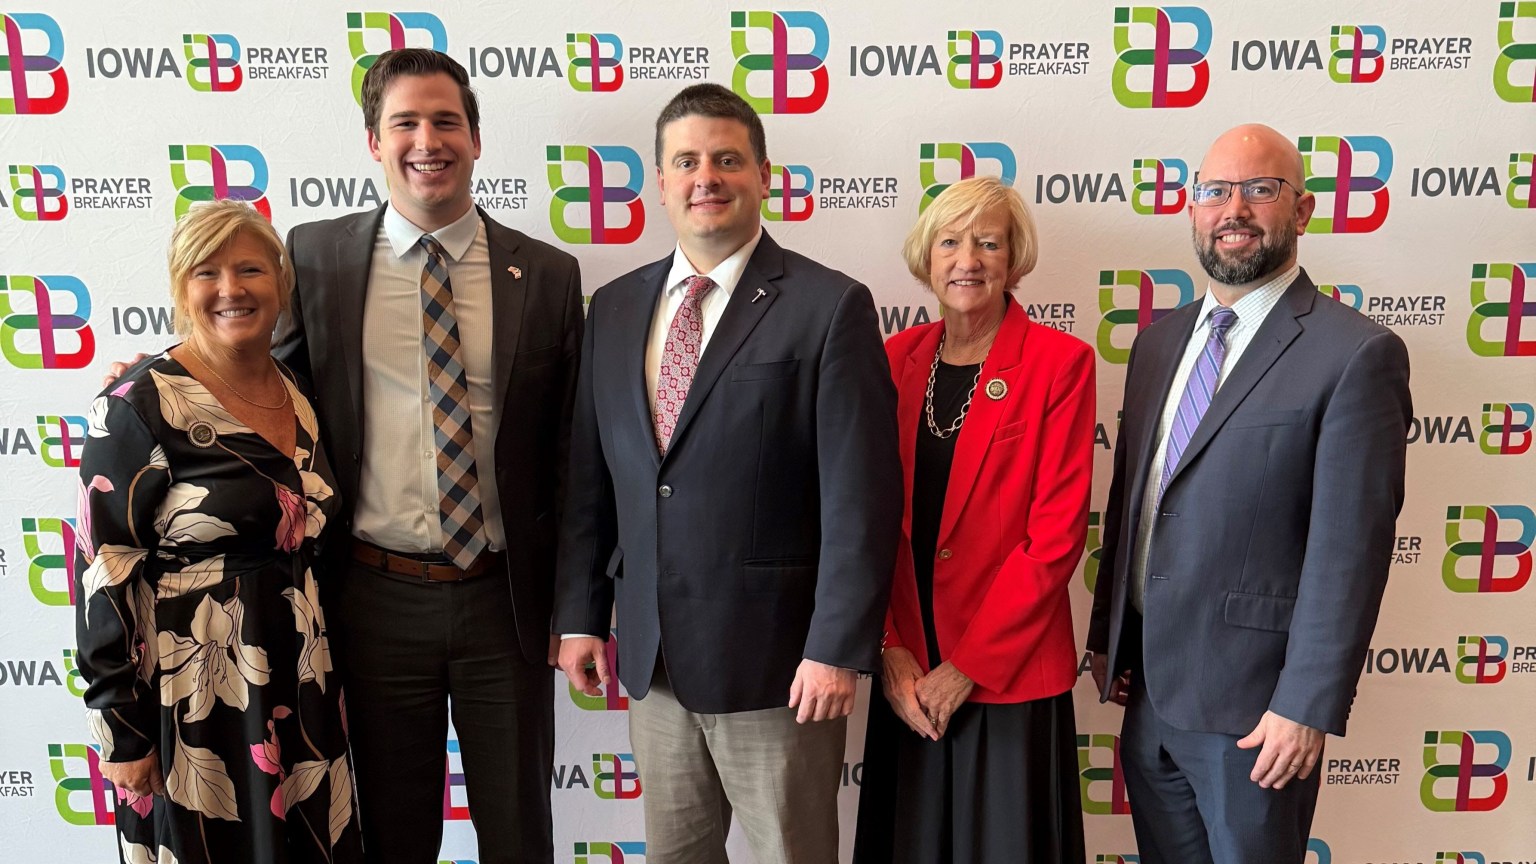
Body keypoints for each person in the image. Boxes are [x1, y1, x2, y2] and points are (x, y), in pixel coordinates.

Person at [554, 82, 901, 864]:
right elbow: (591, 481)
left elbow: (862, 501)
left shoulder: (829, 306)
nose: (705, 176)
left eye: (726, 160)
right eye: (686, 161)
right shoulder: (611, 308)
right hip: (655, 664)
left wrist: (837, 647)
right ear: (661, 181)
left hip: (780, 670)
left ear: (763, 174)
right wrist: (580, 614)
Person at [272, 49, 582, 863]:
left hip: (502, 605)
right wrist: (156, 379)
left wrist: (577, 605)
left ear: (476, 138)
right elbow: (257, 378)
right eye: (404, 122)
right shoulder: (313, 258)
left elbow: (572, 458)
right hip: (372, 600)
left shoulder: (546, 274)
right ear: (373, 142)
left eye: (446, 120)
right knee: (391, 834)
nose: (427, 139)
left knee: (518, 833)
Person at [1085, 124, 1412, 863]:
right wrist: (1113, 635)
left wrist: (1305, 705)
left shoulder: (1355, 354)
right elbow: (1138, 496)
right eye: (1214, 191)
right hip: (1151, 696)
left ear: (1301, 210)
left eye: (1260, 189)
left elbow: (1350, 553)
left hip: (1258, 716)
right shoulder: (1159, 343)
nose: (1233, 208)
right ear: (1191, 209)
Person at [75, 200, 363, 864]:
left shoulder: (298, 389)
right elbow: (104, 571)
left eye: (251, 269)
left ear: (281, 285)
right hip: (195, 699)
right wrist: (122, 732)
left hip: (306, 686)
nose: (231, 289)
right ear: (181, 289)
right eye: (207, 272)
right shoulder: (137, 407)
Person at [852, 176, 1091, 864]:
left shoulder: (1059, 364)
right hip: (908, 678)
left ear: (1014, 260)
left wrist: (965, 669)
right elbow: (861, 519)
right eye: (951, 242)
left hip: (1005, 675)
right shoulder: (894, 359)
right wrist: (892, 652)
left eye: (989, 243)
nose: (969, 260)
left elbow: (1054, 538)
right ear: (926, 257)